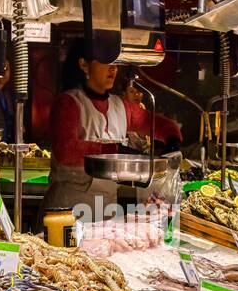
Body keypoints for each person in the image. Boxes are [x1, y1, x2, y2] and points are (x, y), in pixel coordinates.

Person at [43, 40, 181, 219]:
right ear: (84, 64)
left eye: (116, 62)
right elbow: (66, 151)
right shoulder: (68, 103)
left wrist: (172, 140)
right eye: (106, 61)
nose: (113, 68)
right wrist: (116, 151)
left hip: (106, 211)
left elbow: (160, 125)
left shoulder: (120, 106)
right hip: (67, 210)